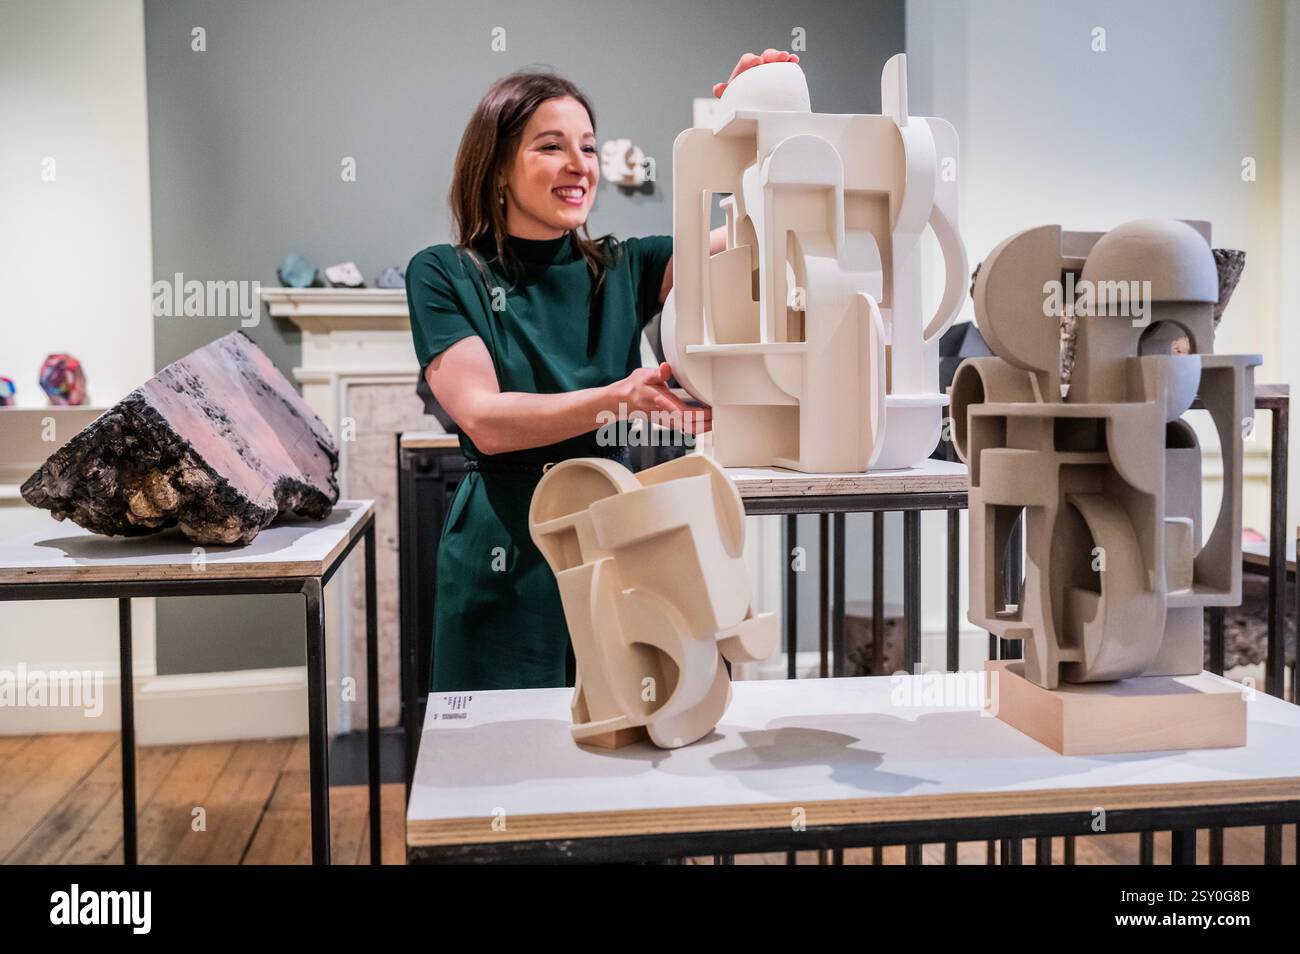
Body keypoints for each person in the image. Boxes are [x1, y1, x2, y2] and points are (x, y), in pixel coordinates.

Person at [407, 51, 800, 692]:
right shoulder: (442, 272)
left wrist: (762, 120)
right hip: (505, 548)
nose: (578, 166)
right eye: (551, 146)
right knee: (501, 760)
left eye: (588, 148)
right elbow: (485, 421)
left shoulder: (626, 266)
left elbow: (764, 231)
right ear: (499, 167)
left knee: (622, 741)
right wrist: (619, 398)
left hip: (619, 540)